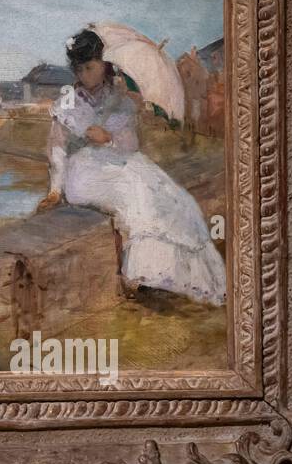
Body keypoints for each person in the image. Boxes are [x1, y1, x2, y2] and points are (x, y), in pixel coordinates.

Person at [36, 28, 226, 305]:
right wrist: (55, 190)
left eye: (90, 67)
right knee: (134, 194)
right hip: (83, 174)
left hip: (120, 162)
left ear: (105, 65)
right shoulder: (68, 102)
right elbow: (56, 148)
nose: (84, 75)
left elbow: (130, 145)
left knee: (175, 198)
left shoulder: (122, 100)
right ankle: (137, 274)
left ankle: (161, 274)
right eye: (78, 69)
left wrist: (109, 138)